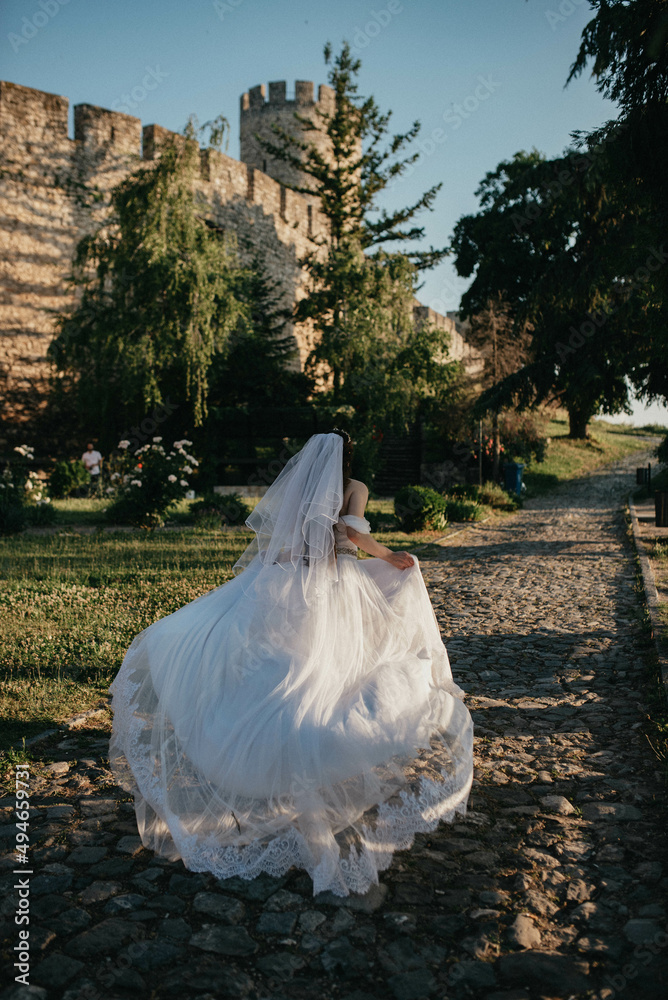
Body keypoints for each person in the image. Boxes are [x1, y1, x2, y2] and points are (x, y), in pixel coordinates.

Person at [108, 430, 474, 897]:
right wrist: (390, 556)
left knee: (294, 670)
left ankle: (271, 754)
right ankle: (320, 751)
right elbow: (353, 535)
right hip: (337, 586)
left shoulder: (302, 489)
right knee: (334, 669)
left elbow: (286, 543)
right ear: (349, 456)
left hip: (295, 583)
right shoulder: (355, 486)